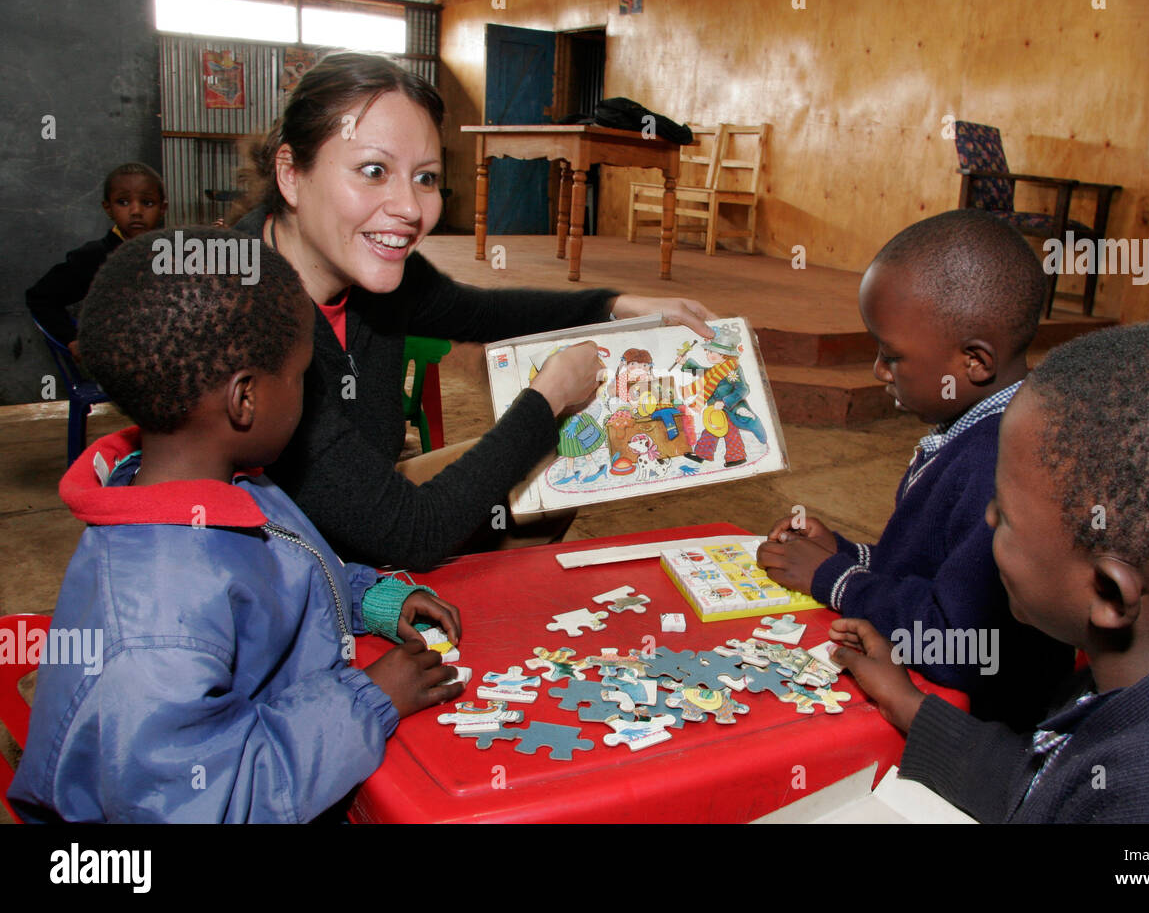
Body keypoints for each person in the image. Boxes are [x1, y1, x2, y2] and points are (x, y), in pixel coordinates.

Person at [8, 229, 464, 823]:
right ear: (245, 399)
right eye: (302, 376)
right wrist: (367, 698)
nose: (310, 396)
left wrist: (372, 599)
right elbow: (222, 804)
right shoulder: (154, 628)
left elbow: (288, 575)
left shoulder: (226, 484)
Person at [232, 51, 715, 571]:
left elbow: (481, 312)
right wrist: (544, 401)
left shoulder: (373, 271)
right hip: (286, 564)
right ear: (290, 174)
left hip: (368, 510)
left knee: (565, 463)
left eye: (424, 178)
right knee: (537, 444)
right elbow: (410, 534)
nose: (411, 209)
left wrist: (615, 307)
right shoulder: (246, 314)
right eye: (373, 171)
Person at [830, 319, 1149, 822]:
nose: (987, 520)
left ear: (1108, 595)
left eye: (1005, 516)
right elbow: (1044, 782)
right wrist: (910, 705)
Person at [758, 210, 1072, 728]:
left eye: (891, 355)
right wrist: (846, 550)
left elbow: (955, 641)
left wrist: (833, 578)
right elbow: (937, 568)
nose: (879, 370)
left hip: (975, 728)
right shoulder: (979, 427)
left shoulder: (999, 463)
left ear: (974, 361)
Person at [26, 162, 166, 359]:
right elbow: (40, 297)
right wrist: (71, 338)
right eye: (123, 202)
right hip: (120, 366)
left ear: (163, 208)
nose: (136, 211)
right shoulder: (94, 257)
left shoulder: (173, 254)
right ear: (108, 208)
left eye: (148, 203)